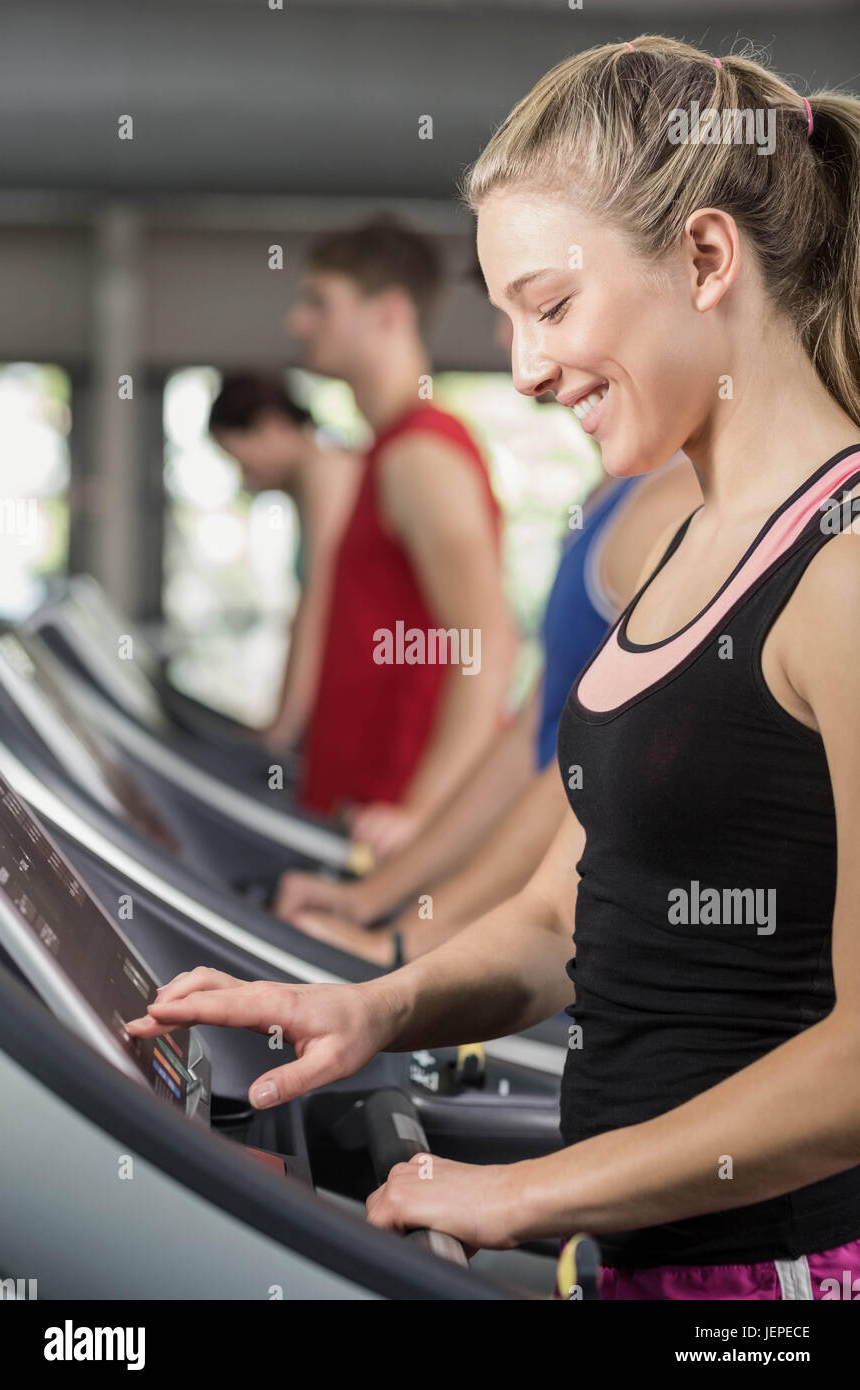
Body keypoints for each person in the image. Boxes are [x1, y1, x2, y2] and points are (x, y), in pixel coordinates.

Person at [130, 37, 860, 1300]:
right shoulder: (688, 542)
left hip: (778, 1284)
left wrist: (517, 1194)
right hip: (634, 1259)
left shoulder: (842, 571)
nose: (522, 369)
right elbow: (558, 914)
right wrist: (372, 1006)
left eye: (552, 306)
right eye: (508, 317)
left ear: (702, 259)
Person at [274, 455, 701, 964]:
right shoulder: (617, 490)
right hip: (549, 939)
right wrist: (371, 898)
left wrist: (403, 942)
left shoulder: (682, 507)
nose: (530, 375)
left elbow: (596, 768)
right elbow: (534, 737)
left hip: (600, 963)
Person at [284, 215, 517, 860]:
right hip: (356, 818)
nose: (297, 324)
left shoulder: (419, 454)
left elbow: (488, 642)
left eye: (319, 303)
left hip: (396, 834)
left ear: (388, 312)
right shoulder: (383, 451)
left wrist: (421, 816)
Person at [208, 373, 362, 752]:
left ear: (271, 426)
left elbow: (320, 602)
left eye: (239, 457)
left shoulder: (323, 468)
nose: (245, 476)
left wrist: (283, 727)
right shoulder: (318, 472)